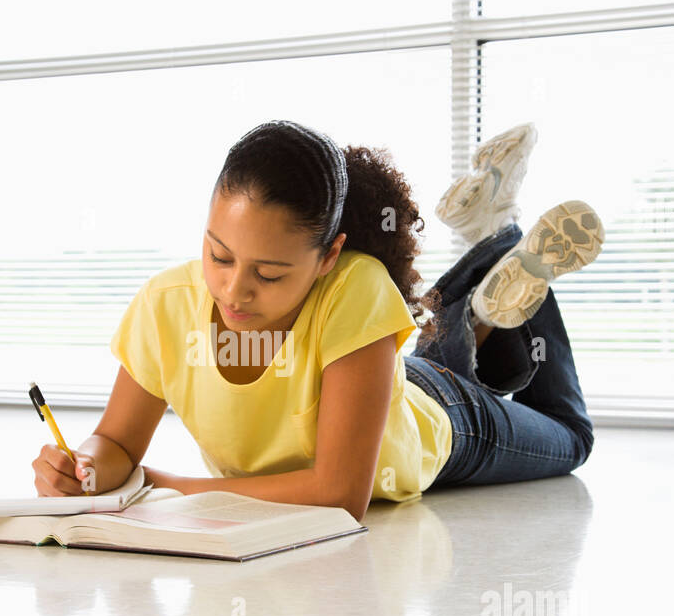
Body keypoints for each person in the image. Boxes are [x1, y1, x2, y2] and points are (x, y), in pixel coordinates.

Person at [32, 120, 604, 519]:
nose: (235, 290)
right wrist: (85, 467)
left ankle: (505, 246)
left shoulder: (355, 286)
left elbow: (338, 494)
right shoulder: (165, 302)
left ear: (328, 258)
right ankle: (492, 244)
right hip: (383, 379)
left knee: (570, 436)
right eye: (218, 255)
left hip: (441, 421)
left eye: (271, 274)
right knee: (441, 354)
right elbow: (115, 443)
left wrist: (176, 489)